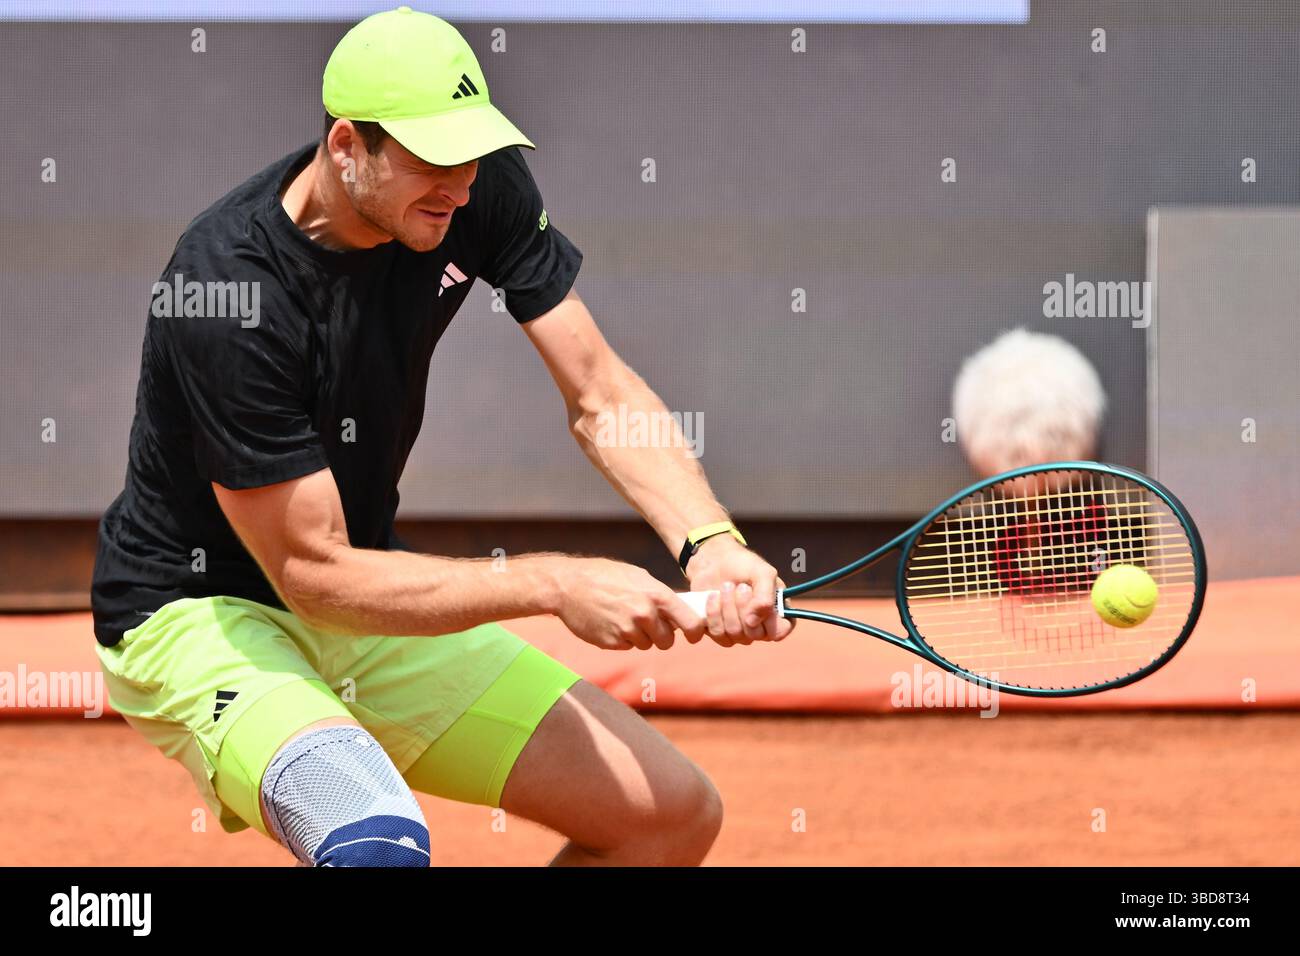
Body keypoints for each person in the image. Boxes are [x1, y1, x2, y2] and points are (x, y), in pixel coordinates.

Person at [91, 6, 791, 868]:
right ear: (349, 144)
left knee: (670, 814)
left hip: (364, 591)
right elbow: (312, 572)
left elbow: (602, 392)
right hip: (200, 613)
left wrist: (709, 542)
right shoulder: (226, 289)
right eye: (432, 160)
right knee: (375, 847)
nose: (459, 186)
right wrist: (554, 582)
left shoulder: (473, 187)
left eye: (470, 156)